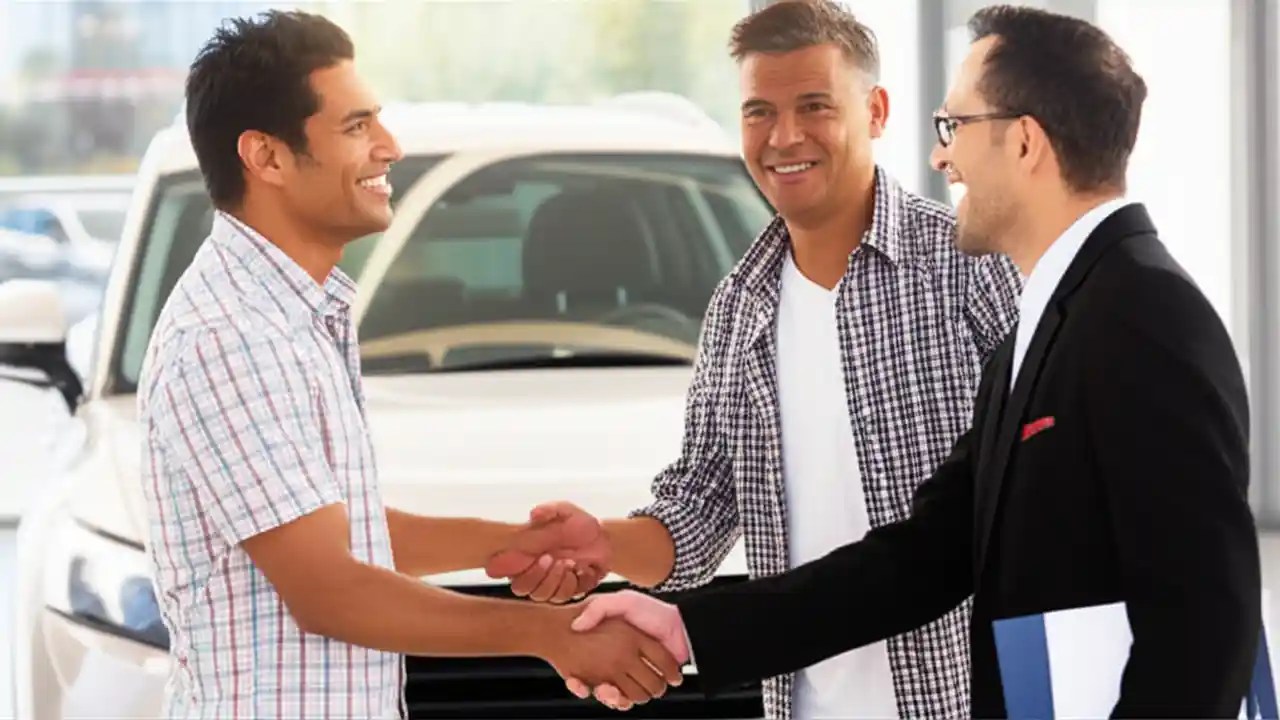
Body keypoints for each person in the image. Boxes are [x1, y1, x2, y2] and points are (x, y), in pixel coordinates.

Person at [566, 5, 1263, 718]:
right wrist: (690, 629)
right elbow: (927, 555)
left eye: (955, 127)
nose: (940, 156)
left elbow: (1207, 623)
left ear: (1023, 142)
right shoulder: (1054, 321)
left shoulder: (1142, 315)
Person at [485, 1, 1021, 718]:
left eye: (814, 106)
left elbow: (1045, 488)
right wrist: (605, 545)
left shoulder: (972, 267)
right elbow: (699, 514)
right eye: (758, 111)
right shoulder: (739, 310)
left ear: (877, 111)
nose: (784, 136)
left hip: (969, 700)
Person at [136, 11, 680, 718]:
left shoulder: (288, 317)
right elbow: (330, 590)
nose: (389, 147)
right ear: (266, 157)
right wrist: (552, 636)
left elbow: (337, 529)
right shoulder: (229, 337)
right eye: (357, 126)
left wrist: (510, 545)